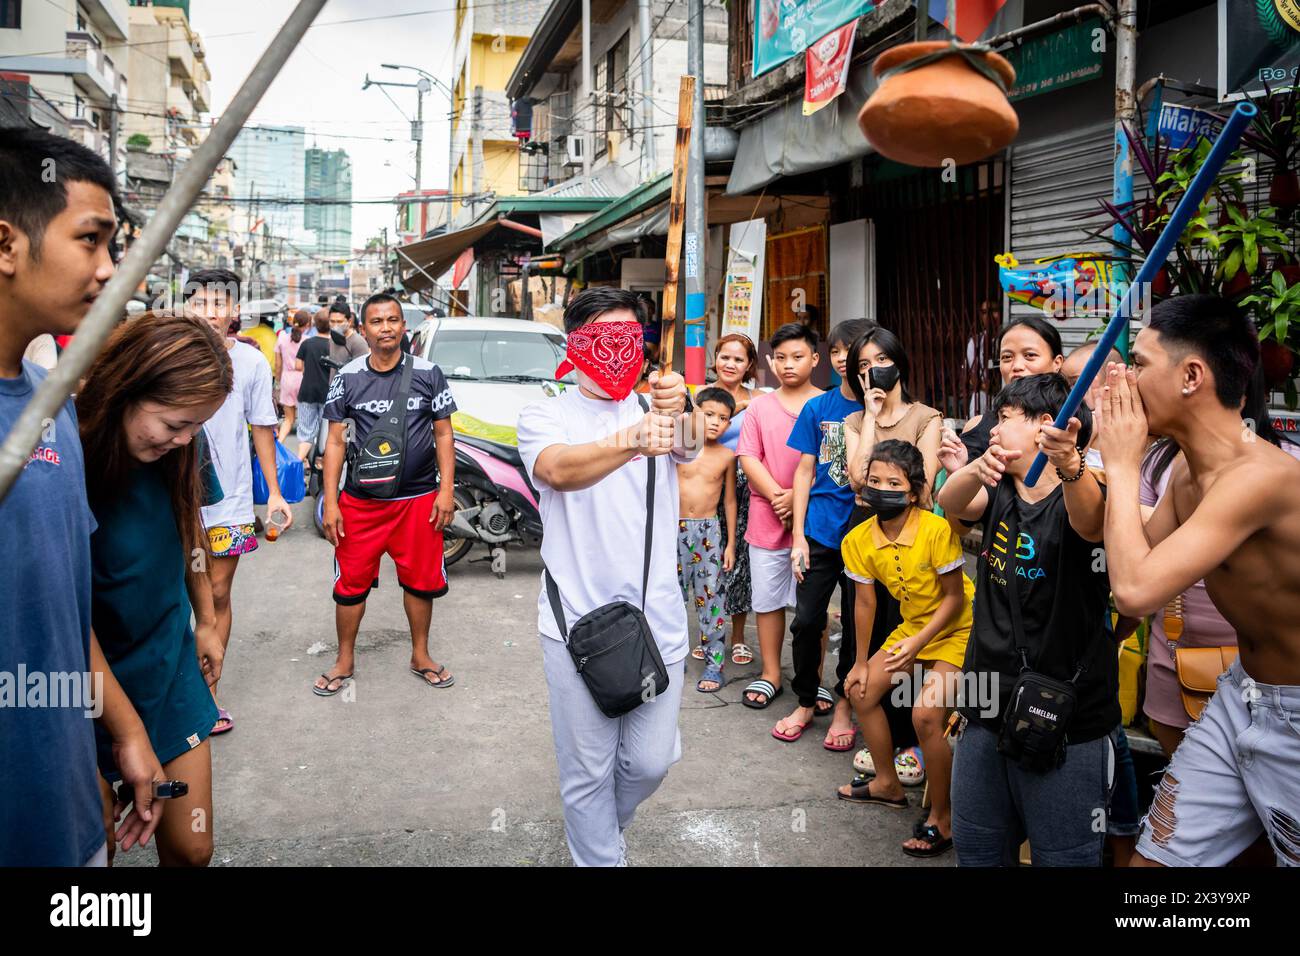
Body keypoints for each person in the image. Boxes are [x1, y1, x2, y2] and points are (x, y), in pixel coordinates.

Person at [0, 127, 165, 866]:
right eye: (91, 241)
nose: (110, 271)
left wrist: (122, 732)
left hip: (65, 811)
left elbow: (63, 607)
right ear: (6, 245)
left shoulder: (51, 402)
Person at [1096, 295, 1300, 868]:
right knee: (1154, 865)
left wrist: (1122, 463)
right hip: (1242, 694)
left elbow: (1137, 588)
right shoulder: (1187, 468)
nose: (1125, 379)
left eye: (1138, 363)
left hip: (1297, 716)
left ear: (1191, 376)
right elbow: (1138, 564)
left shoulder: (1259, 478)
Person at [517, 287, 704, 866]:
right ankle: (599, 855)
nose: (618, 353)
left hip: (658, 623)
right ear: (574, 345)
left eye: (630, 340)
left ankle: (602, 833)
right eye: (602, 338)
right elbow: (556, 469)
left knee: (650, 761)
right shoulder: (546, 410)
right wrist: (630, 440)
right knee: (587, 771)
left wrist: (685, 406)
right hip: (577, 623)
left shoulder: (658, 408)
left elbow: (694, 445)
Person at [938, 373, 1115, 867]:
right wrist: (976, 469)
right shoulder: (997, 490)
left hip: (1066, 716)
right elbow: (952, 504)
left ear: (1046, 424)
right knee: (978, 848)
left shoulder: (1086, 491)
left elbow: (1092, 525)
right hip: (986, 703)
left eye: (1006, 417)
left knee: (1065, 855)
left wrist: (1070, 465)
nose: (993, 427)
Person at [78, 312, 234, 866]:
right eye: (173, 424)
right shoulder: (64, 450)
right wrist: (123, 732)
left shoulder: (184, 443)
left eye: (196, 427)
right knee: (97, 848)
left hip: (167, 667)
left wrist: (207, 619)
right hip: (74, 685)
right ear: (128, 390)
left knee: (192, 848)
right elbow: (63, 616)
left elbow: (189, 522)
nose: (185, 439)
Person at [836, 441, 973, 858]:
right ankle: (886, 783)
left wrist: (918, 643)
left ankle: (943, 819)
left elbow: (955, 600)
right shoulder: (858, 539)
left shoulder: (936, 529)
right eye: (874, 480)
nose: (881, 488)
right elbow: (865, 602)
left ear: (913, 491)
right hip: (912, 627)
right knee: (859, 691)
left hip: (959, 628)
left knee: (926, 716)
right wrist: (861, 662)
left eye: (893, 482)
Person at [317, 293, 458, 696]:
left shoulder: (429, 373)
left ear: (403, 326)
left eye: (393, 320)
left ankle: (421, 654)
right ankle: (345, 659)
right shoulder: (347, 377)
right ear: (364, 329)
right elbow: (336, 443)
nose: (385, 328)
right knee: (350, 585)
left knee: (421, 582)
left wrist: (445, 491)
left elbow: (443, 434)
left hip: (418, 502)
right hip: (361, 505)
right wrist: (332, 503)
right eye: (376, 322)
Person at [183, 268, 293, 736]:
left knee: (217, 595)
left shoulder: (250, 364)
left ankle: (206, 696)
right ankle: (175, 694)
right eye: (202, 303)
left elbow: (263, 429)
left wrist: (275, 495)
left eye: (220, 303)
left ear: (235, 311)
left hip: (229, 503)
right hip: (172, 503)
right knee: (175, 598)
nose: (212, 312)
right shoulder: (167, 355)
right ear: (188, 306)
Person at [844, 325, 943, 782]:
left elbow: (921, 490)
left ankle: (913, 741)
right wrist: (869, 413)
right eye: (863, 366)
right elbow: (858, 480)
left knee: (911, 637)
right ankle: (879, 736)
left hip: (915, 537)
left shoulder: (927, 417)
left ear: (899, 361)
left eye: (881, 360)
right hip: (867, 535)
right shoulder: (854, 421)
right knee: (866, 626)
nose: (873, 371)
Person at [773, 318, 874, 748]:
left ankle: (845, 705)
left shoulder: (883, 410)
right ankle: (804, 700)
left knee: (856, 626)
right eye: (836, 351)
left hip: (868, 535)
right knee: (808, 621)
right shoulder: (819, 408)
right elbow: (804, 472)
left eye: (850, 350)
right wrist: (797, 537)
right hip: (818, 531)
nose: (842, 358)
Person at [736, 323, 823, 709]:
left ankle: (814, 677)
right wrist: (779, 497)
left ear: (815, 359)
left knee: (812, 606)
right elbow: (748, 457)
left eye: (798, 356)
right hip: (766, 515)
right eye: (781, 358)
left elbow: (833, 463)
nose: (788, 365)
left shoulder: (827, 405)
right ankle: (771, 672)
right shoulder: (759, 406)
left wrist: (798, 498)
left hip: (816, 518)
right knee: (768, 600)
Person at [676, 386, 738, 693]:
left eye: (723, 418)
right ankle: (670, 659)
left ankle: (715, 666)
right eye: (709, 414)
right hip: (672, 528)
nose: (715, 422)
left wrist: (730, 544)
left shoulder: (727, 456)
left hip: (708, 532)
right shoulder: (678, 449)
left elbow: (729, 502)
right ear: (694, 413)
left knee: (711, 599)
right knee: (670, 597)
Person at [951, 314, 1065, 465]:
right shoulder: (978, 426)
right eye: (1007, 357)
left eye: (1030, 355)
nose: (1017, 366)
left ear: (1057, 362)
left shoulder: (1074, 422)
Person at [713, 333, 759, 665]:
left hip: (745, 487)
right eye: (724, 357)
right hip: (706, 485)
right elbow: (688, 439)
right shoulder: (697, 396)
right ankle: (709, 631)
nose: (730, 364)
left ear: (749, 365)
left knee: (740, 560)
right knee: (708, 560)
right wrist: (735, 408)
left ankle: (739, 636)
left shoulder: (761, 399)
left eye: (738, 359)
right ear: (715, 358)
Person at [1061, 341, 1124, 468]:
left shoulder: (1092, 420)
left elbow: (1071, 465)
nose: (1068, 392)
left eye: (1074, 383)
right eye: (1065, 385)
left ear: (1110, 381)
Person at [295, 311, 333, 463]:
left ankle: (299, 463)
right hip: (328, 394)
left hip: (307, 391)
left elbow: (298, 365)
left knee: (306, 432)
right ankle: (321, 463)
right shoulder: (334, 346)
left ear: (315, 325)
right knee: (327, 433)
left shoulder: (307, 343)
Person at [276, 309, 309, 445]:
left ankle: (278, 446)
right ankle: (304, 457)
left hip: (286, 379)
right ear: (307, 325)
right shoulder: (307, 341)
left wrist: (278, 382)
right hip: (303, 379)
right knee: (305, 422)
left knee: (288, 419)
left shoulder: (282, 337)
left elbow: (278, 363)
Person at [328, 300, 368, 377]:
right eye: (332, 321)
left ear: (349, 321)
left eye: (339, 322)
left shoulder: (358, 342)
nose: (335, 325)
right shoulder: (332, 339)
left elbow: (362, 374)